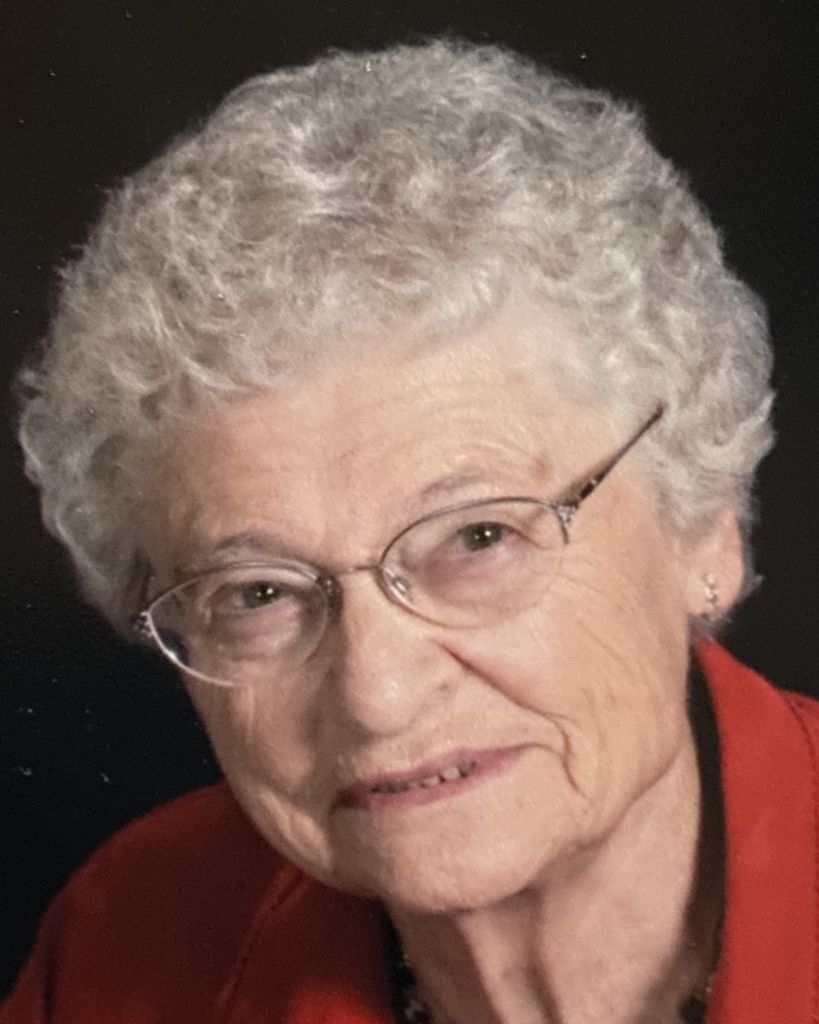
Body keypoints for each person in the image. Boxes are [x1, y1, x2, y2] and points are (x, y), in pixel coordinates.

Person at [2, 39, 815, 1024]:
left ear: (705, 526)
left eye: (477, 540)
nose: (377, 696)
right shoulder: (126, 950)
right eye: (259, 593)